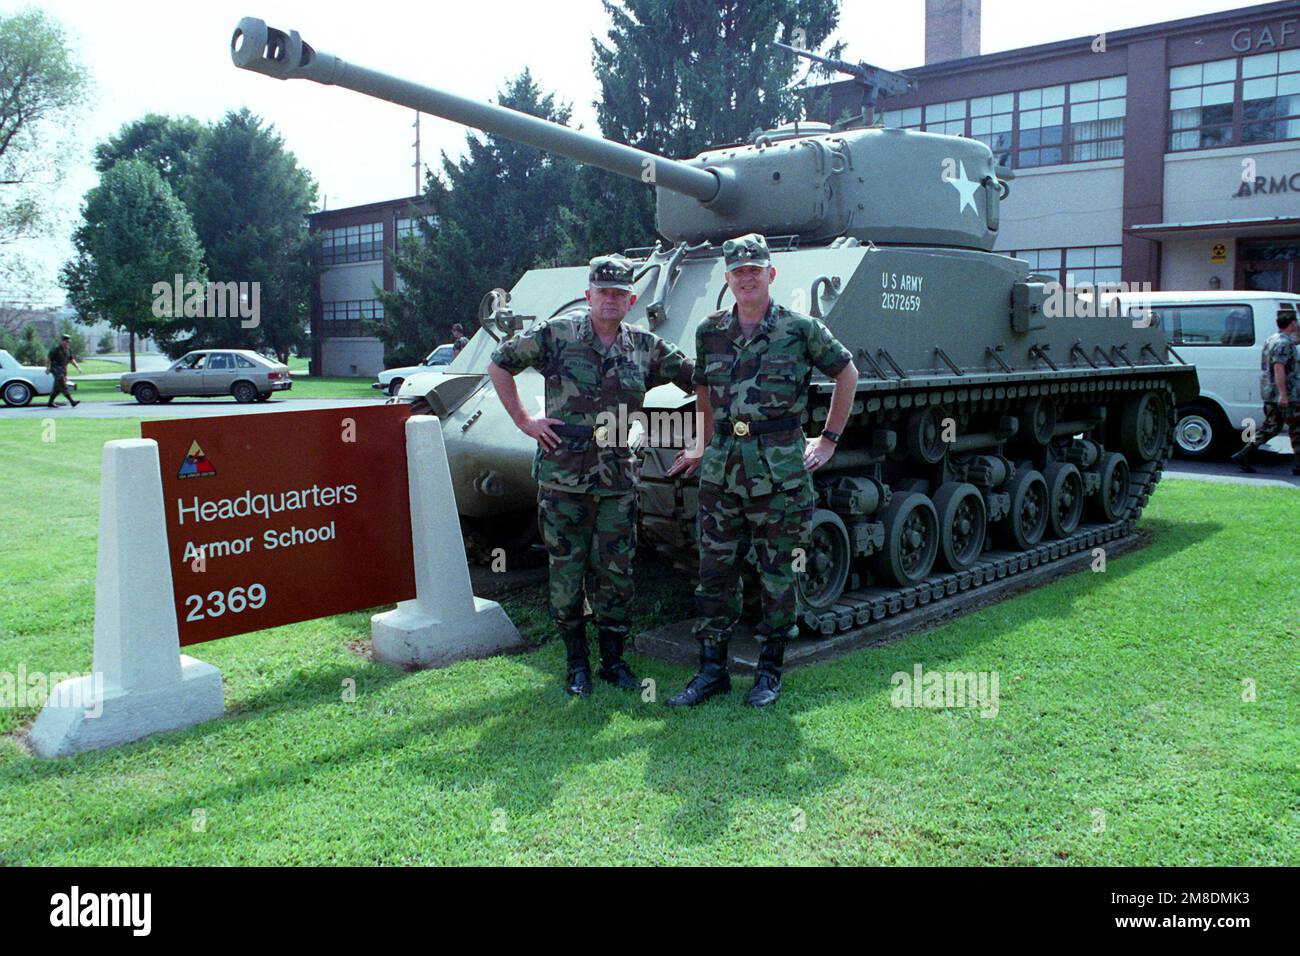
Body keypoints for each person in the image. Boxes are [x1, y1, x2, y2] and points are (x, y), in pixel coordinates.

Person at [665, 233, 858, 708]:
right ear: (728, 279)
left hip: (779, 469)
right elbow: (705, 389)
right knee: (714, 571)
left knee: (777, 572)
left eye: (755, 269)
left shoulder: (800, 329)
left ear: (770, 274)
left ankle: (769, 671)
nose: (747, 277)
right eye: (738, 271)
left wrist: (829, 439)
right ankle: (712, 671)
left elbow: (846, 373)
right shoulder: (710, 331)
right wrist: (702, 444)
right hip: (723, 467)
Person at [488, 255, 696, 697]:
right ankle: (576, 664)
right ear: (589, 295)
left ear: (631, 300)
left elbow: (699, 382)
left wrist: (700, 439)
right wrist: (526, 421)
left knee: (616, 572)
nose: (610, 301)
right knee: (566, 573)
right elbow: (500, 363)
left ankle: (614, 661)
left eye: (620, 294)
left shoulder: (645, 346)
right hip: (563, 478)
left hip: (618, 480)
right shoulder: (557, 334)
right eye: (603, 292)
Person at [1231, 309, 1300, 475]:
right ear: (1292, 323)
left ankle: (1244, 454)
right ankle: (1299, 466)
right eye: (1296, 322)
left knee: (1271, 427)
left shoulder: (1272, 339)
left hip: (1271, 393)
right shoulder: (1283, 343)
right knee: (1297, 429)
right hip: (1286, 395)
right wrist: (1283, 395)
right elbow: (1279, 368)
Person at [45, 334, 82, 408]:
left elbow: (71, 359)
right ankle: (72, 402)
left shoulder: (68, 350)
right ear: (62, 341)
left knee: (57, 387)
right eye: (65, 341)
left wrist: (77, 367)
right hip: (55, 369)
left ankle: (50, 402)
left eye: (68, 342)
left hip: (63, 370)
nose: (67, 343)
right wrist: (47, 368)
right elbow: (49, 359)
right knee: (62, 384)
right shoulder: (56, 349)